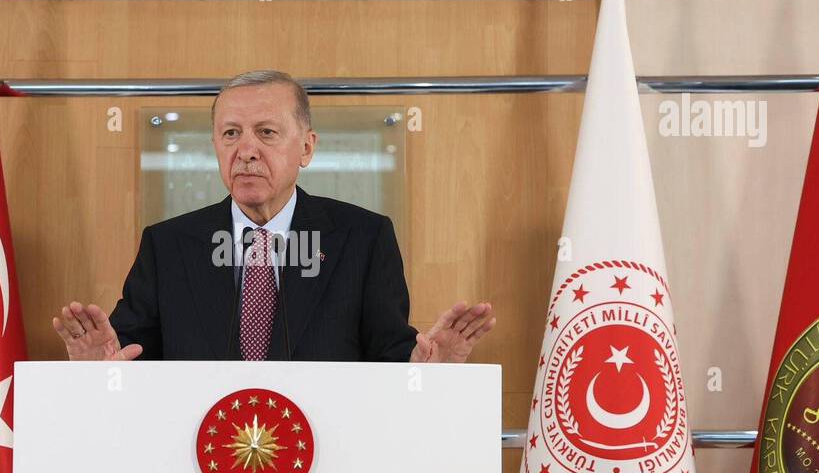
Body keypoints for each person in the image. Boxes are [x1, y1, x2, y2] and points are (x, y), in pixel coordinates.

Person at [53, 70, 495, 362]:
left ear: (306, 147)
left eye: (266, 132)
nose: (245, 150)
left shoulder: (362, 238)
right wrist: (103, 370)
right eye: (230, 134)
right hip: (202, 466)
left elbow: (388, 355)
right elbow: (130, 353)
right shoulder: (169, 245)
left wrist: (425, 367)